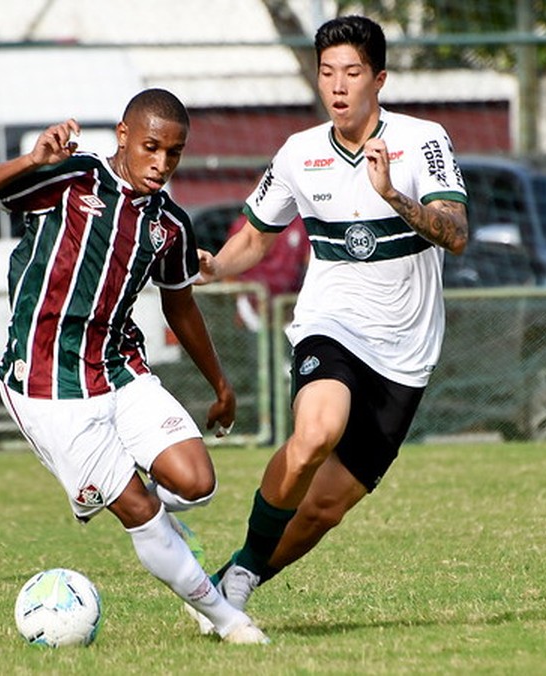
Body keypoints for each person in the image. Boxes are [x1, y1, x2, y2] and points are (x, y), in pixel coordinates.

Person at [0, 88, 269, 645]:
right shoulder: (68, 179)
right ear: (123, 136)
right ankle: (227, 620)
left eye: (174, 153)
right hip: (46, 382)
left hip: (119, 367)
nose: (161, 164)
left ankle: (163, 529)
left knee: (197, 483)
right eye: (151, 148)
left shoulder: (169, 223)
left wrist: (220, 382)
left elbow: (179, 301)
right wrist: (29, 160)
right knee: (138, 509)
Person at [194, 15, 469, 626]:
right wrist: (206, 268)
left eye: (351, 73)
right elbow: (253, 240)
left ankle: (238, 574)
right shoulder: (299, 153)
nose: (338, 86)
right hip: (331, 325)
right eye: (327, 73)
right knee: (317, 431)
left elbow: (456, 234)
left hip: (406, 355)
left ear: (380, 79)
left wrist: (392, 193)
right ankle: (234, 585)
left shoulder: (423, 140)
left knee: (322, 511)